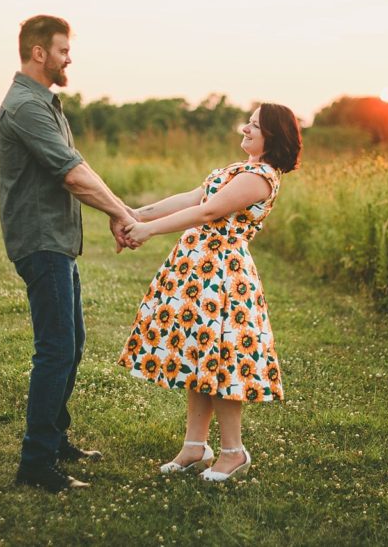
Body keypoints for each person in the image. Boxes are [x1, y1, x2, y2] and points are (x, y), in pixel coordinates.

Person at [118, 103, 302, 482]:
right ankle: (195, 446)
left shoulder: (261, 177)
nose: (245, 129)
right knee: (199, 355)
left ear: (273, 135)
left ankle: (233, 452)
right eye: (247, 123)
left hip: (224, 277)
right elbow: (191, 199)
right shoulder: (237, 169)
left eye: (254, 125)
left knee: (222, 361)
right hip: (199, 270)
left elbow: (207, 213)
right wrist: (136, 214)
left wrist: (149, 232)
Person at [0, 14, 139, 492]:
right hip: (40, 241)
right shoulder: (26, 107)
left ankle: (54, 440)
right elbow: (72, 175)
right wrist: (123, 216)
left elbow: (80, 166)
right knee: (55, 350)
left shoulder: (48, 104)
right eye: (62, 50)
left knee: (70, 344)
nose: (68, 58)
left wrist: (120, 208)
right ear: (39, 53)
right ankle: (36, 465)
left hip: (57, 241)